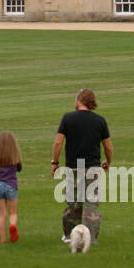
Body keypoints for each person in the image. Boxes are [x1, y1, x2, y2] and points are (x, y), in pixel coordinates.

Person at [51, 88, 112, 244]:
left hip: (73, 167)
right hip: (93, 168)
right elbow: (108, 146)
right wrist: (108, 161)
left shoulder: (68, 118)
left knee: (73, 204)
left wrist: (55, 162)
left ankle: (69, 236)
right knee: (91, 205)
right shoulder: (100, 120)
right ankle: (90, 238)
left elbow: (58, 142)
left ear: (79, 100)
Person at [0, 131, 23, 244]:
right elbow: (19, 168)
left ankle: (3, 239)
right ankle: (13, 225)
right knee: (12, 213)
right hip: (11, 185)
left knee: (2, 214)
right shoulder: (14, 155)